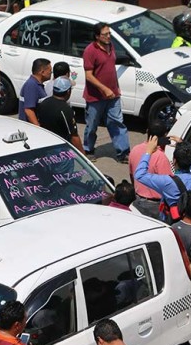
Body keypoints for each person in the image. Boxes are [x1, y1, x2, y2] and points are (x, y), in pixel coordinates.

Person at [82, 23, 130, 161]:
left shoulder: (110, 46)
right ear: (97, 36)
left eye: (109, 33)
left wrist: (116, 87)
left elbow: (111, 70)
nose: (109, 36)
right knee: (92, 125)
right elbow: (89, 75)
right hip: (95, 97)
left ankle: (123, 152)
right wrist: (104, 89)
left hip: (113, 95)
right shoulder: (90, 51)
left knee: (117, 122)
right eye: (105, 34)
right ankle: (88, 149)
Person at [134, 139, 191, 223]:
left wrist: (148, 152)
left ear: (174, 161)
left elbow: (139, 174)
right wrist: (183, 145)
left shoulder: (168, 182)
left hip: (172, 222)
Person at [128, 120, 174, 218]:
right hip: (155, 207)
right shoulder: (161, 157)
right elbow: (168, 186)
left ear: (147, 131)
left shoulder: (135, 149)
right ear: (164, 135)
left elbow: (132, 175)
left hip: (137, 200)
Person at [37, 77, 84, 153]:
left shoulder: (44, 103)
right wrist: (83, 155)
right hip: (61, 151)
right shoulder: (66, 110)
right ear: (68, 91)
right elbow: (74, 136)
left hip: (45, 147)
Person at [18, 58, 52, 125]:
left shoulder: (37, 84)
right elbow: (29, 110)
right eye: (50, 70)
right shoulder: (31, 85)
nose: (51, 73)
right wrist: (38, 128)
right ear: (42, 72)